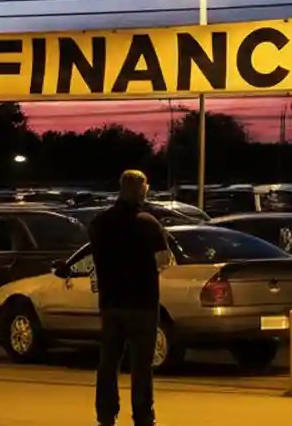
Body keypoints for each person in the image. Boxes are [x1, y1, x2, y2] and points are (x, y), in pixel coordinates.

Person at [88, 169, 171, 426]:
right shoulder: (149, 224)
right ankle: (143, 414)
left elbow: (93, 256)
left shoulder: (100, 223)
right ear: (141, 189)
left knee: (108, 361)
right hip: (142, 302)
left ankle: (105, 413)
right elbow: (164, 261)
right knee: (141, 364)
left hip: (111, 302)